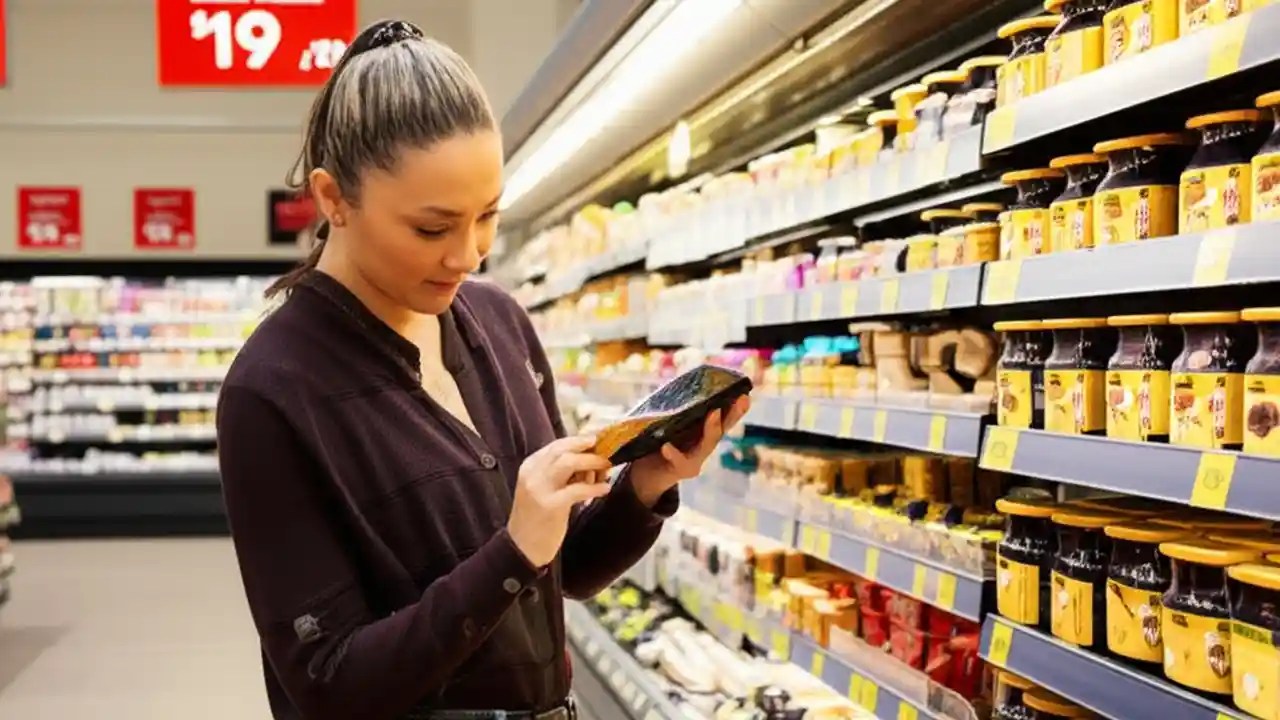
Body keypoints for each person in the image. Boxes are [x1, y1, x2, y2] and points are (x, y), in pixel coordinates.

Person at [215, 19, 750, 720]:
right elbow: (329, 683)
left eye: (488, 216)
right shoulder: (273, 392)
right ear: (333, 199)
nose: (469, 255)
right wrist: (511, 552)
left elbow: (568, 569)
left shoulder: (498, 324)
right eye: (432, 228)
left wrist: (644, 484)